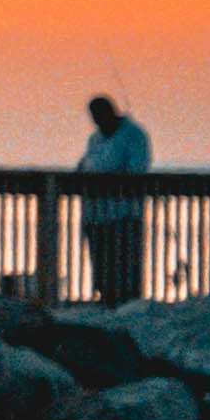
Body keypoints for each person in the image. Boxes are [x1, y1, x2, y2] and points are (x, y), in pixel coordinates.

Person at [78, 90, 152, 309]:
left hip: (124, 213)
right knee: (100, 264)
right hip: (95, 215)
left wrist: (109, 180)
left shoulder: (133, 134)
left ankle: (127, 306)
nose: (97, 121)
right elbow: (84, 165)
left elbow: (138, 169)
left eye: (100, 115)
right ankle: (106, 301)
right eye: (94, 117)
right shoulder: (95, 138)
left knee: (125, 265)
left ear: (111, 111)